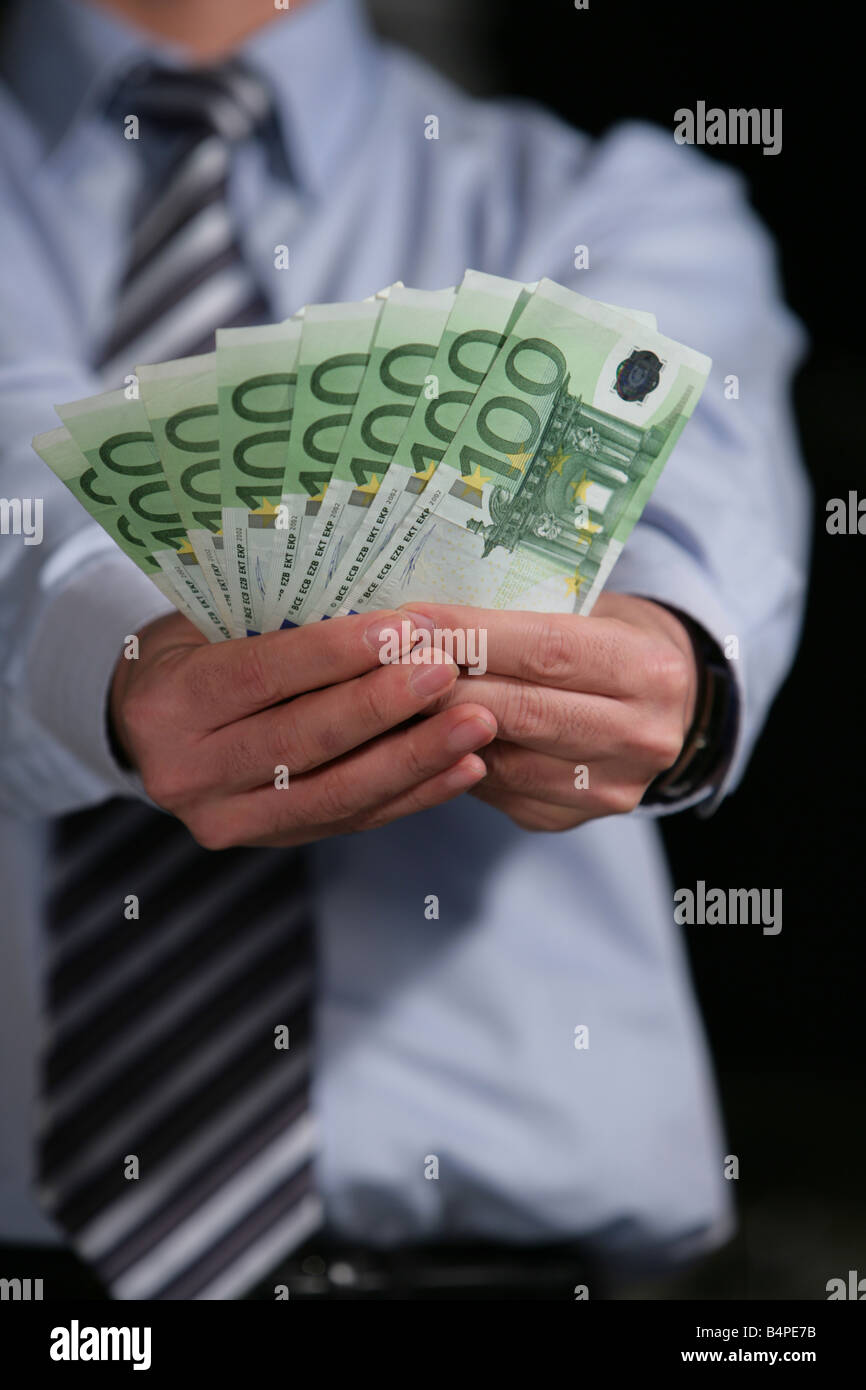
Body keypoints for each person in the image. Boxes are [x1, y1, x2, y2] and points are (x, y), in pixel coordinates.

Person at [0, 0, 810, 1300]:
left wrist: (669, 662)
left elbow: (690, 500)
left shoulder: (620, 194)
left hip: (525, 1274)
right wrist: (108, 654)